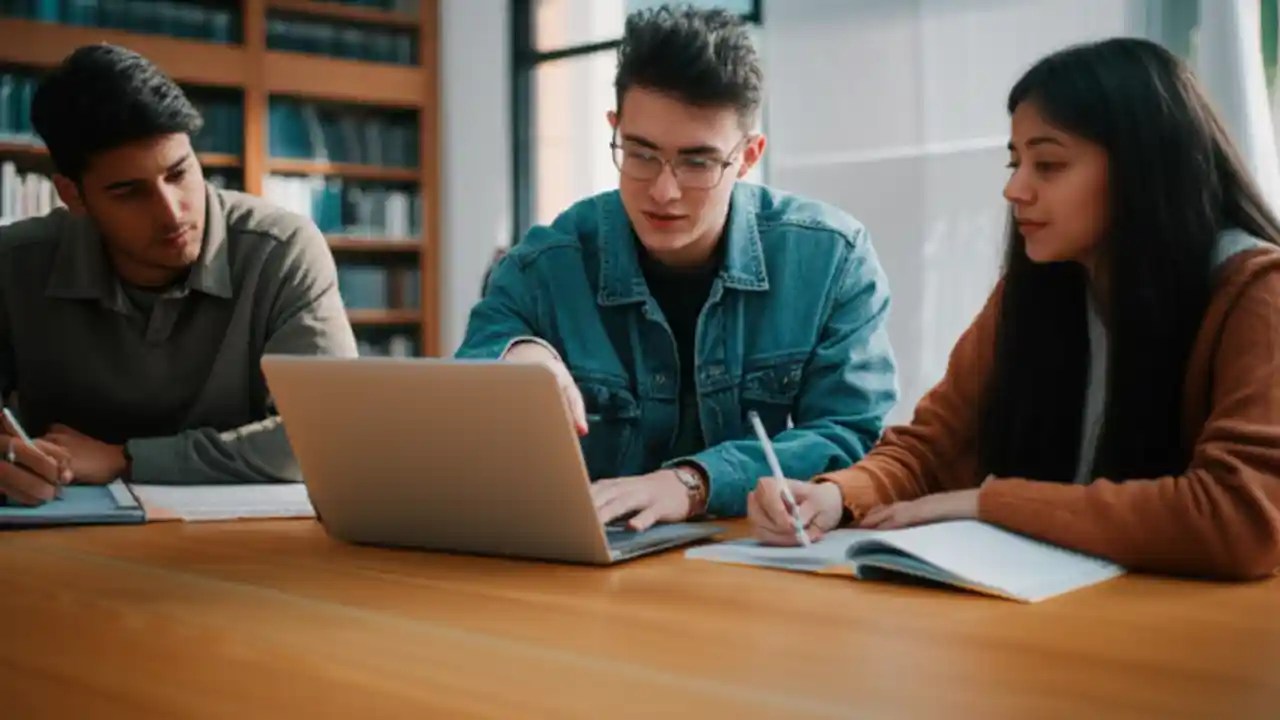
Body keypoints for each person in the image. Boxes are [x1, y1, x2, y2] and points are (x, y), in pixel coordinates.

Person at [749, 37, 1280, 579]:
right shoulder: (1039, 289)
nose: (1015, 190)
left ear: (1144, 170)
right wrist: (836, 496)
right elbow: (930, 447)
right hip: (1051, 611)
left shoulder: (1258, 290)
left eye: (1048, 164)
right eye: (1015, 161)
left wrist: (990, 502)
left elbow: (1240, 518)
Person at [456, 5, 898, 531]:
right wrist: (517, 352)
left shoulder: (833, 260)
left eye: (697, 162)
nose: (663, 192)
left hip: (763, 569)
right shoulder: (546, 264)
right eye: (641, 154)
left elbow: (849, 434)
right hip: (592, 575)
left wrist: (695, 483)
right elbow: (477, 365)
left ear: (749, 156)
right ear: (615, 129)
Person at [0, 43, 358, 505]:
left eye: (178, 172)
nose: (171, 214)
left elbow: (330, 435)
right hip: (62, 542)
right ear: (73, 195)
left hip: (242, 553)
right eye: (129, 192)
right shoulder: (14, 264)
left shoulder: (282, 250)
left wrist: (126, 458)